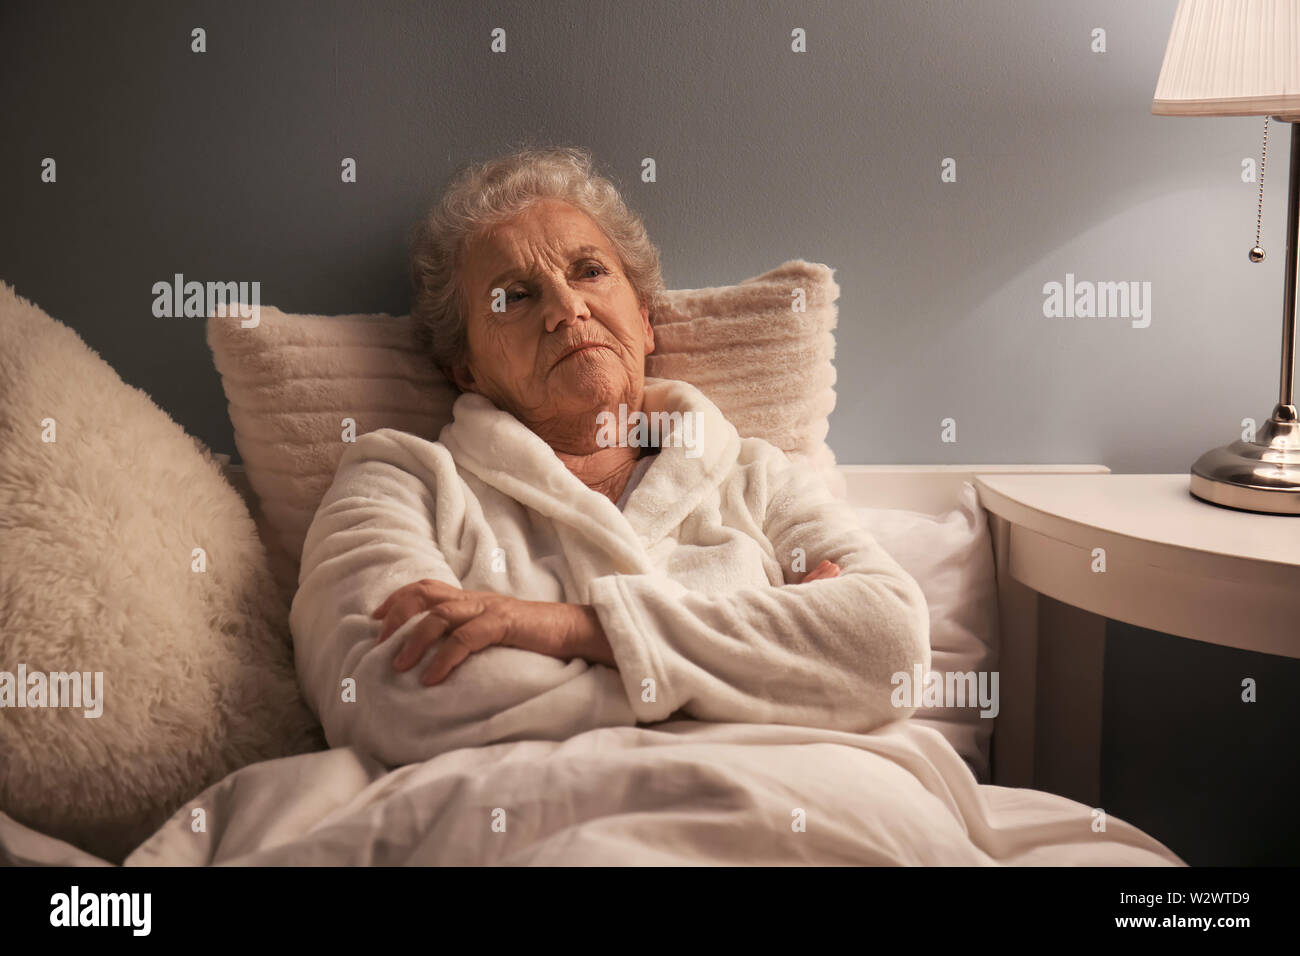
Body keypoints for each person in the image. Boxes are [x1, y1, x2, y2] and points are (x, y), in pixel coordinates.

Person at [288, 145, 930, 767]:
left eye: (589, 271)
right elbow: (387, 699)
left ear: (645, 320)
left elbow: (891, 647)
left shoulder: (755, 475)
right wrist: (779, 662)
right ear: (466, 369)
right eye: (514, 297)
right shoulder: (400, 481)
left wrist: (562, 629)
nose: (568, 309)